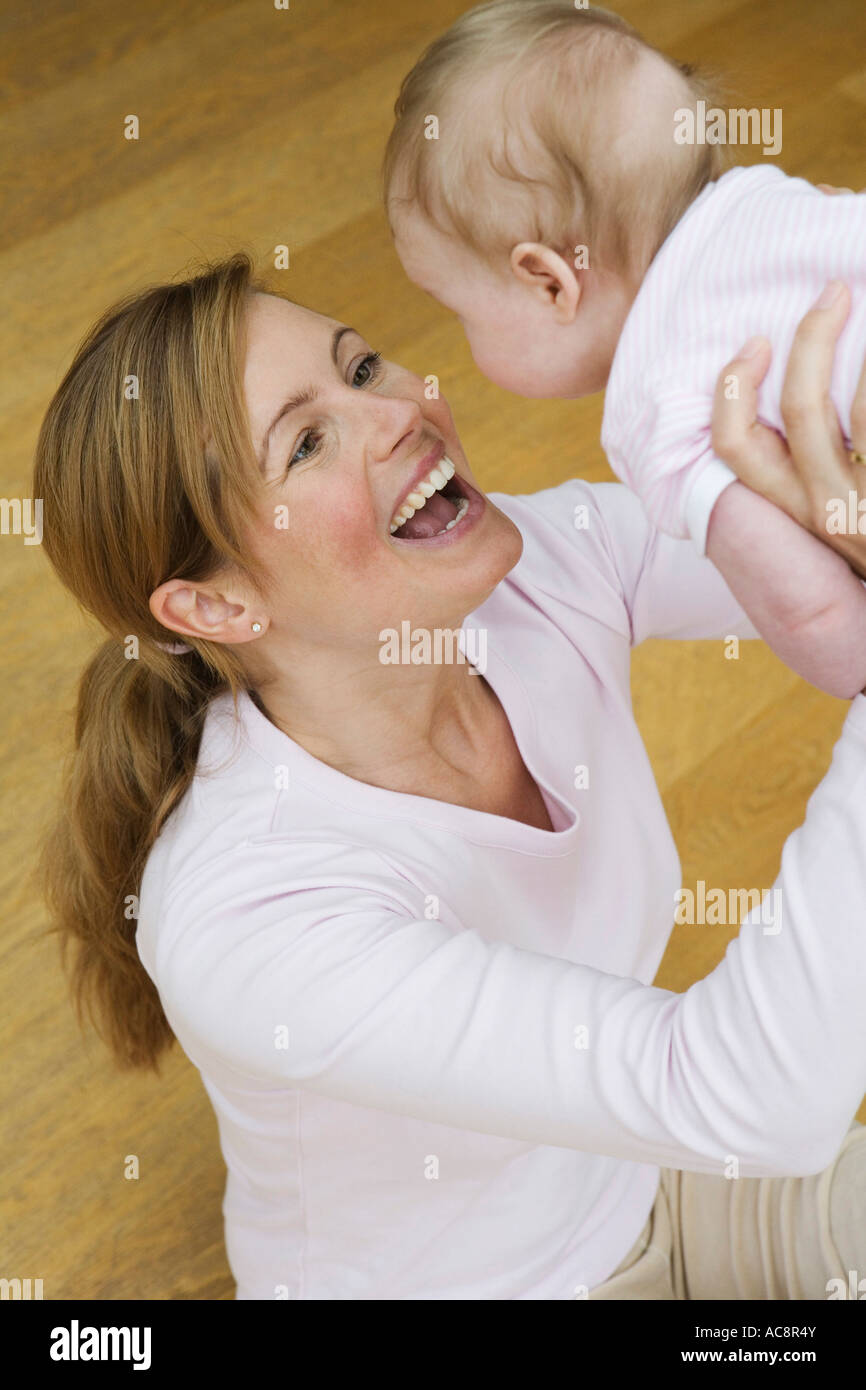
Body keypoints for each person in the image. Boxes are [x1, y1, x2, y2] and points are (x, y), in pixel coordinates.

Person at [33, 253, 866, 1300]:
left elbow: (820, 554)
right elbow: (755, 1096)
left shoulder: (541, 577)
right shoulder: (249, 915)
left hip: (662, 1174)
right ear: (216, 608)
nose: (397, 413)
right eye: (305, 442)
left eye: (363, 366)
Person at [384, 0, 866, 698]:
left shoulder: (658, 404)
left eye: (460, 312)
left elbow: (814, 609)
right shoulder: (775, 198)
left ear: (549, 283)